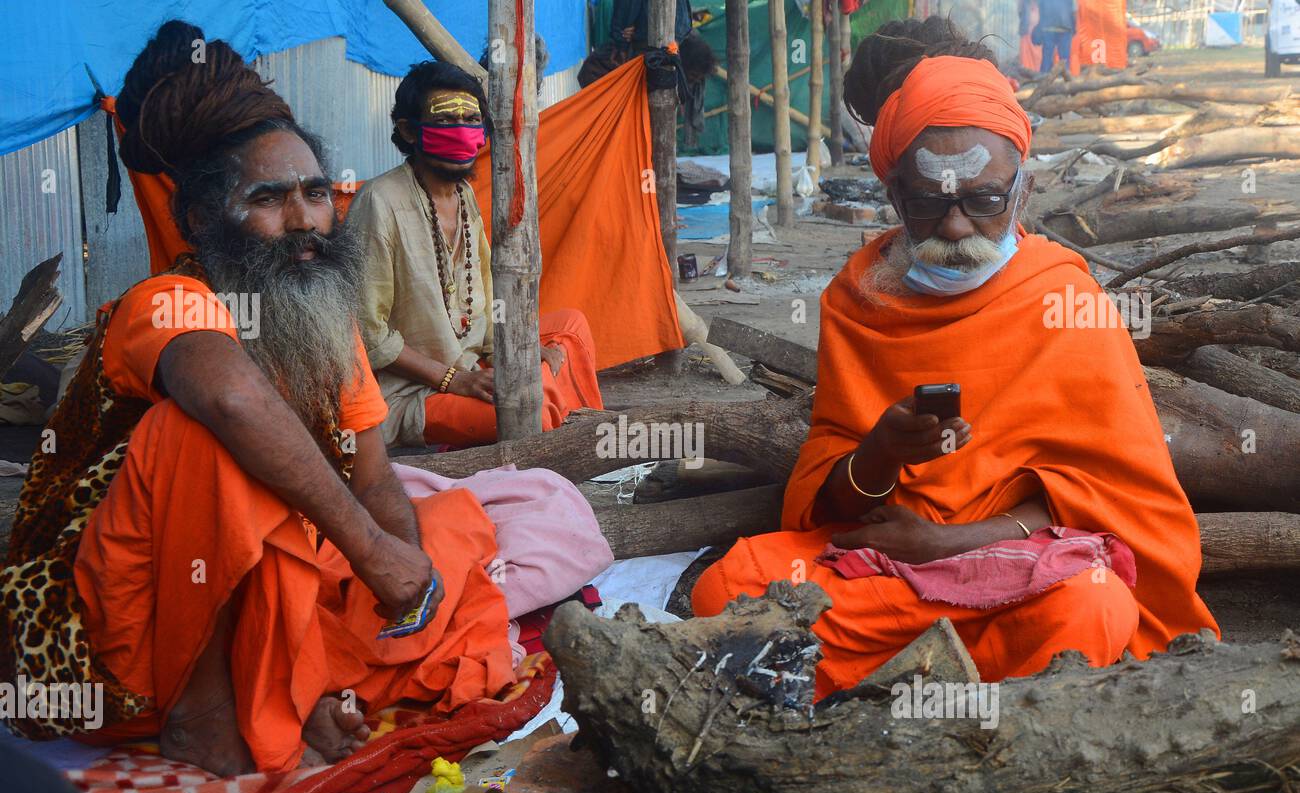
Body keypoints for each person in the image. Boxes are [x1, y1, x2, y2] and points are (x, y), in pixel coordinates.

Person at [0, 22, 518, 776]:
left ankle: (302, 680)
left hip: (261, 586)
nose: (305, 220)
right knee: (204, 432)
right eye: (269, 199)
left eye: (315, 192)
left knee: (459, 529)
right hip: (112, 641)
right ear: (206, 219)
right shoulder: (165, 300)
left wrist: (401, 583)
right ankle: (205, 721)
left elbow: (371, 474)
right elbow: (236, 401)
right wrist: (372, 555)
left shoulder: (318, 310)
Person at [692, 17, 1219, 698]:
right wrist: (881, 450)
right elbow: (831, 506)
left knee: (1095, 603)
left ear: (1022, 191)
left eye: (983, 200)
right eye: (929, 202)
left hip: (1020, 572)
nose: (956, 227)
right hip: (885, 573)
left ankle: (899, 690)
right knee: (724, 587)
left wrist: (951, 543)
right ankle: (975, 688)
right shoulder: (856, 300)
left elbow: (1112, 501)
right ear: (893, 196)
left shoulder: (1064, 298)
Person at [348, 61, 603, 448]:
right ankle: (559, 423)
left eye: (471, 120)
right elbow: (370, 336)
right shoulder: (379, 202)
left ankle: (557, 411)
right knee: (527, 406)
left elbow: (486, 299)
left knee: (571, 328)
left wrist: (521, 349)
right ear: (407, 131)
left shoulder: (464, 196)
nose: (464, 133)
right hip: (414, 393)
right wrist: (457, 380)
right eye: (447, 121)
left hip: (473, 365)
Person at [1035, 0, 1076, 73]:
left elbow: (1041, 8)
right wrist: (1073, 28)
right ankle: (1065, 79)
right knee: (1064, 58)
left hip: (1048, 27)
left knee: (1047, 57)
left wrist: (1040, 27)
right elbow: (1073, 11)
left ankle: (1044, 77)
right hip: (1065, 27)